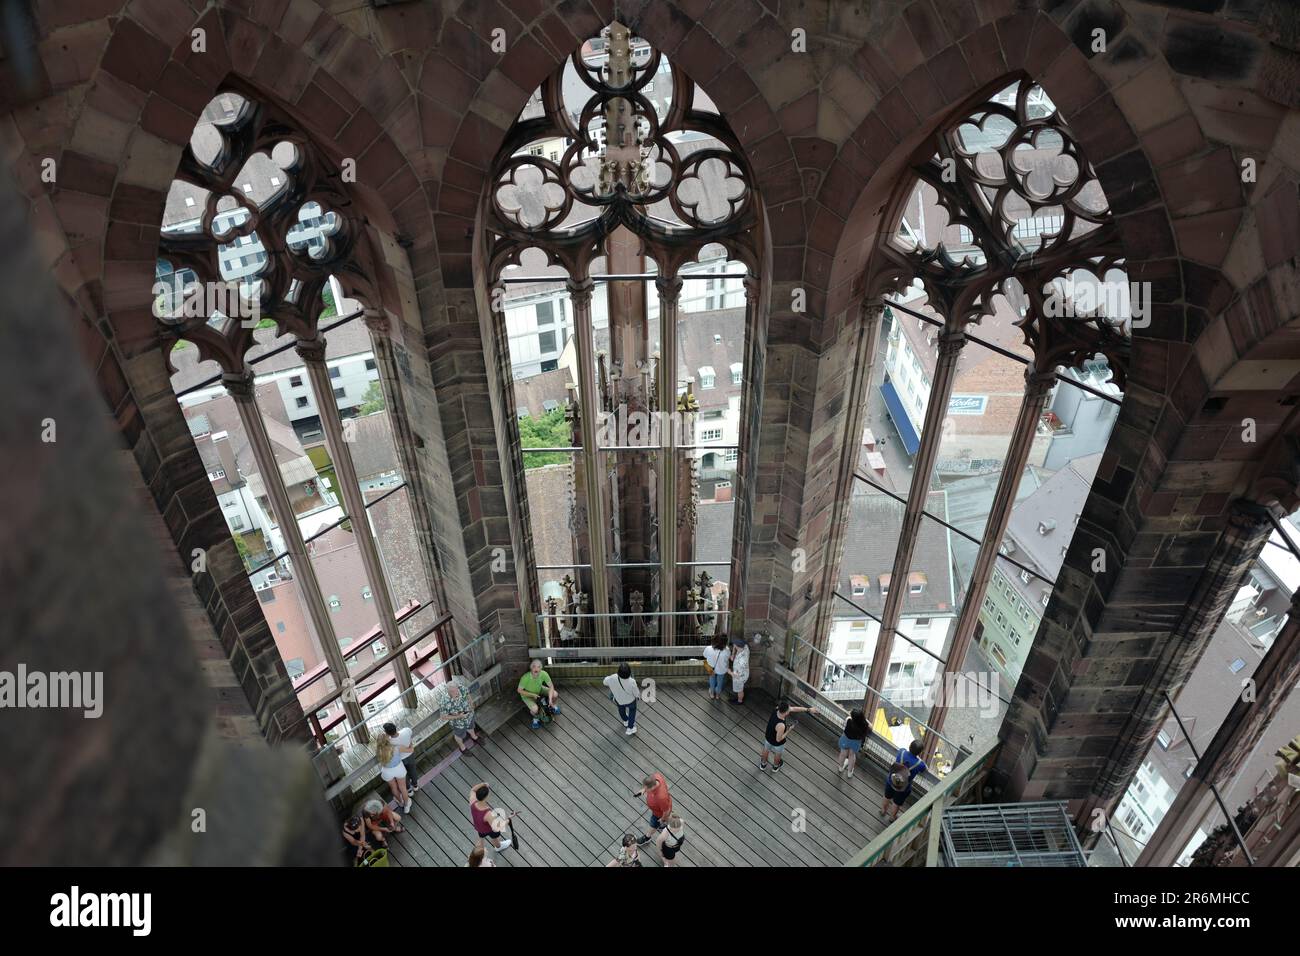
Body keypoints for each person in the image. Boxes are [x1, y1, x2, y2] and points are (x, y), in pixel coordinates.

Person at [759, 698, 814, 772]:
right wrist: (789, 729)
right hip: (777, 743)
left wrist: (808, 709)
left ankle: (763, 764)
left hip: (768, 736)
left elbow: (794, 709)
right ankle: (775, 767)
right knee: (778, 754)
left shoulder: (777, 709)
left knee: (766, 750)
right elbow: (778, 739)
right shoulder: (781, 725)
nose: (790, 710)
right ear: (785, 713)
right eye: (788, 710)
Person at [430, 674, 481, 752]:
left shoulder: (461, 688)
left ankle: (474, 737)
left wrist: (471, 704)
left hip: (469, 716)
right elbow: (443, 717)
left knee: (471, 727)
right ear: (449, 692)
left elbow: (467, 694)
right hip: (458, 723)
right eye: (454, 692)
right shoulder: (444, 702)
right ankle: (462, 747)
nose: (457, 692)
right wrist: (458, 716)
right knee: (459, 736)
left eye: (457, 690)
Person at [882, 739, 927, 821]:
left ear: (909, 746)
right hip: (903, 787)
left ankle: (883, 811)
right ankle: (892, 817)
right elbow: (924, 769)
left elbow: (902, 750)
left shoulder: (901, 752)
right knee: (897, 803)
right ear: (920, 752)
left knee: (887, 796)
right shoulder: (919, 764)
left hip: (892, 780)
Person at [469, 782, 514, 851]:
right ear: (486, 797)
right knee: (494, 837)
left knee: (481, 837)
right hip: (489, 830)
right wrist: (509, 819)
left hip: (478, 827)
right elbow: (497, 828)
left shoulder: (472, 801)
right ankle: (498, 847)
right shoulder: (487, 814)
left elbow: (473, 790)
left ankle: (480, 851)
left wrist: (483, 784)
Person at [375, 726, 411, 812]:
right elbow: (410, 750)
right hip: (398, 768)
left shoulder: (378, 751)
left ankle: (400, 802)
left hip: (387, 771)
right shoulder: (396, 747)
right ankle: (406, 805)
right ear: (387, 739)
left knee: (394, 788)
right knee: (402, 787)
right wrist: (411, 744)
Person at [518, 659, 561, 729]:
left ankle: (551, 705)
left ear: (541, 668)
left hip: (539, 689)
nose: (536, 669)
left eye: (538, 667)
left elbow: (551, 686)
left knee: (555, 694)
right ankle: (536, 718)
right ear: (531, 668)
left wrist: (550, 699)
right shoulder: (525, 678)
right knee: (535, 709)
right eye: (534, 666)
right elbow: (519, 690)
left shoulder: (543, 674)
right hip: (527, 695)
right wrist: (532, 695)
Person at [382, 721, 419, 803]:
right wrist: (411, 744)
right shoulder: (406, 731)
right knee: (413, 770)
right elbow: (410, 734)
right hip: (410, 755)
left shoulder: (390, 742)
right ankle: (415, 785)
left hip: (400, 760)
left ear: (387, 733)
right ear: (395, 727)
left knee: (403, 776)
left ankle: (409, 790)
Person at [633, 772, 672, 846]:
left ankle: (647, 837)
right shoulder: (656, 777)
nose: (645, 790)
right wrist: (644, 790)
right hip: (659, 807)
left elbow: (666, 811)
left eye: (646, 789)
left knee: (653, 824)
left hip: (659, 813)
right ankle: (663, 826)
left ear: (652, 787)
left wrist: (662, 818)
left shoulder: (661, 797)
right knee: (665, 820)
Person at [603, 662, 640, 735]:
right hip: (630, 701)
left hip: (619, 700)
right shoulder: (632, 681)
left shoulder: (613, 677)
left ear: (618, 672)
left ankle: (625, 721)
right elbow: (636, 692)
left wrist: (608, 678)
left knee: (621, 709)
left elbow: (605, 682)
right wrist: (638, 696)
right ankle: (630, 728)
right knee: (632, 711)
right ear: (629, 672)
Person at [838, 708, 868, 779]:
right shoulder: (865, 725)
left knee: (843, 754)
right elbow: (870, 727)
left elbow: (847, 718)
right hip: (856, 742)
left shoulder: (849, 720)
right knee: (852, 755)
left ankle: (840, 767)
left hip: (846, 740)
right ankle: (849, 773)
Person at [703, 635, 730, 700]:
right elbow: (727, 659)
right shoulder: (727, 650)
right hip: (722, 669)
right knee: (720, 681)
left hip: (711, 668)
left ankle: (712, 693)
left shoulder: (708, 648)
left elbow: (705, 655)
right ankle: (717, 695)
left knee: (712, 679)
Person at [728, 636, 750, 704]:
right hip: (742, 672)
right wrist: (733, 654)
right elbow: (735, 647)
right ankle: (738, 697)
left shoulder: (742, 660)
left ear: (737, 646)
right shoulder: (745, 647)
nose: (733, 645)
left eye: (734, 644)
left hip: (740, 676)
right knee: (739, 689)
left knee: (740, 690)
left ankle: (739, 701)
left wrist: (729, 672)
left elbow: (737, 675)